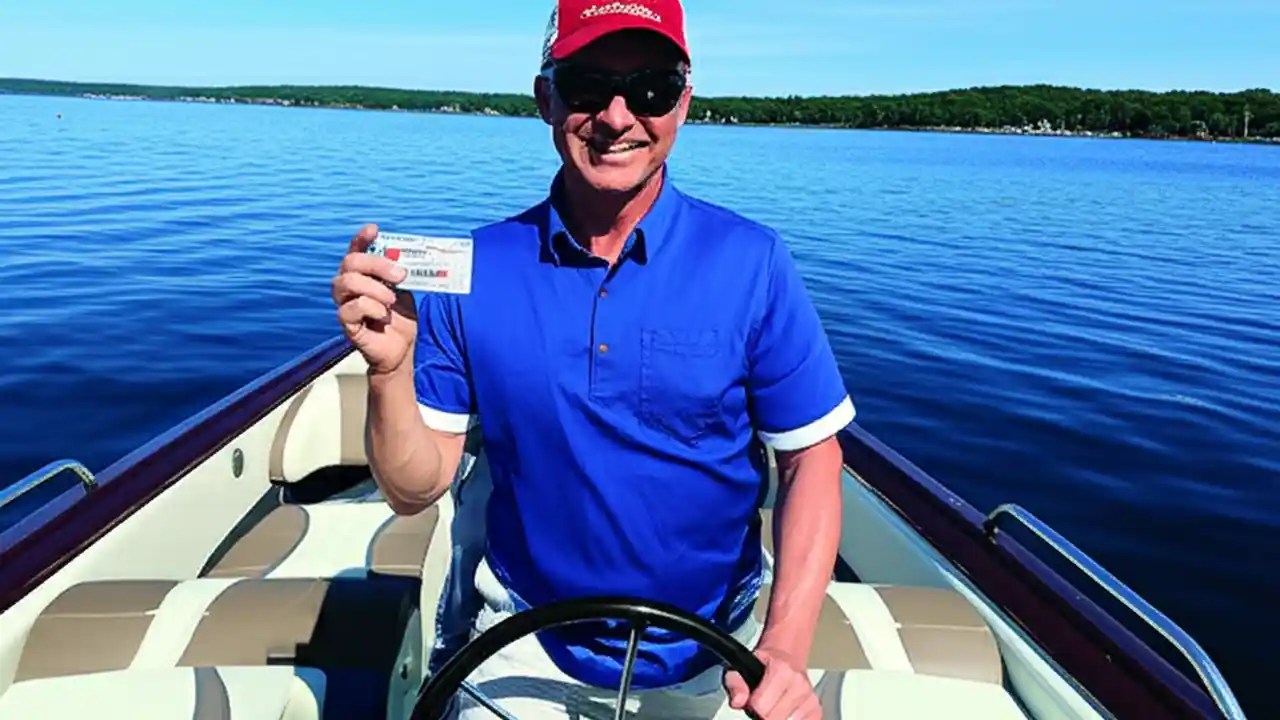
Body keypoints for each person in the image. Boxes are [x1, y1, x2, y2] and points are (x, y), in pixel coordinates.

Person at [331, 1, 855, 717]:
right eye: (585, 85)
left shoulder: (753, 263)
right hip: (522, 642)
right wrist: (389, 371)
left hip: (718, 656)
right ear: (545, 95)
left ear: (684, 100)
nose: (616, 117)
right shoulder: (475, 268)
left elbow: (812, 459)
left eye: (650, 89)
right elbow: (415, 490)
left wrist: (785, 646)